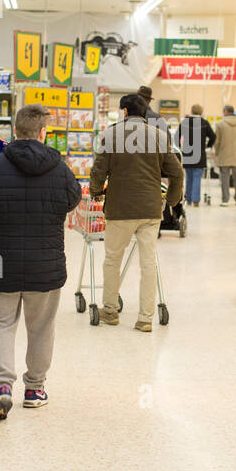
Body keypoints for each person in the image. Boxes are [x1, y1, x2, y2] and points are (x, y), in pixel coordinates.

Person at [0, 103, 81, 420]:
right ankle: (34, 389)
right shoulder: (60, 168)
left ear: (15, 130)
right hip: (44, 263)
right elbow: (72, 201)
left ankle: (2, 387)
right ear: (43, 132)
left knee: (1, 324)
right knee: (41, 327)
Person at [90, 94, 183, 332]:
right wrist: (172, 199)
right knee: (148, 263)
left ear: (124, 112)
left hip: (120, 208)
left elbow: (99, 168)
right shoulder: (160, 137)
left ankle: (110, 311)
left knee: (112, 260)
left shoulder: (110, 135)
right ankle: (145, 318)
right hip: (150, 209)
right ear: (145, 113)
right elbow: (177, 172)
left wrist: (96, 191)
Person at [177, 103, 215, 207]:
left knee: (188, 177)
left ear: (192, 111)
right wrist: (207, 146)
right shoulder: (204, 123)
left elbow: (177, 136)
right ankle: (196, 200)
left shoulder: (185, 122)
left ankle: (188, 199)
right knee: (197, 177)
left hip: (187, 154)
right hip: (200, 154)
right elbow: (213, 136)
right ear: (201, 112)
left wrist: (180, 148)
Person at [212, 104, 236, 207]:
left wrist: (216, 152)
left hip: (224, 153)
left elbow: (217, 141)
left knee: (224, 178)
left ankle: (225, 200)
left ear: (225, 111)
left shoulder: (220, 124)